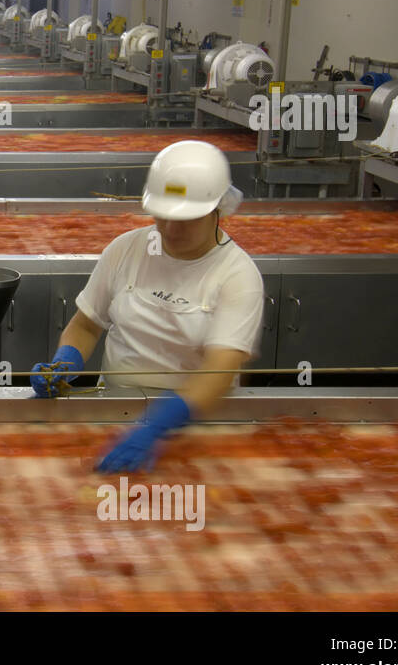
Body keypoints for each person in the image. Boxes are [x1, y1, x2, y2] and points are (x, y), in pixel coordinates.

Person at [30, 141, 264, 473]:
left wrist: (156, 425)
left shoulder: (237, 275)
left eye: (185, 219)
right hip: (114, 410)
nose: (169, 229)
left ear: (217, 210)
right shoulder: (126, 249)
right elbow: (86, 325)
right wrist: (65, 361)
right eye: (163, 216)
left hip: (192, 424)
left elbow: (220, 371)